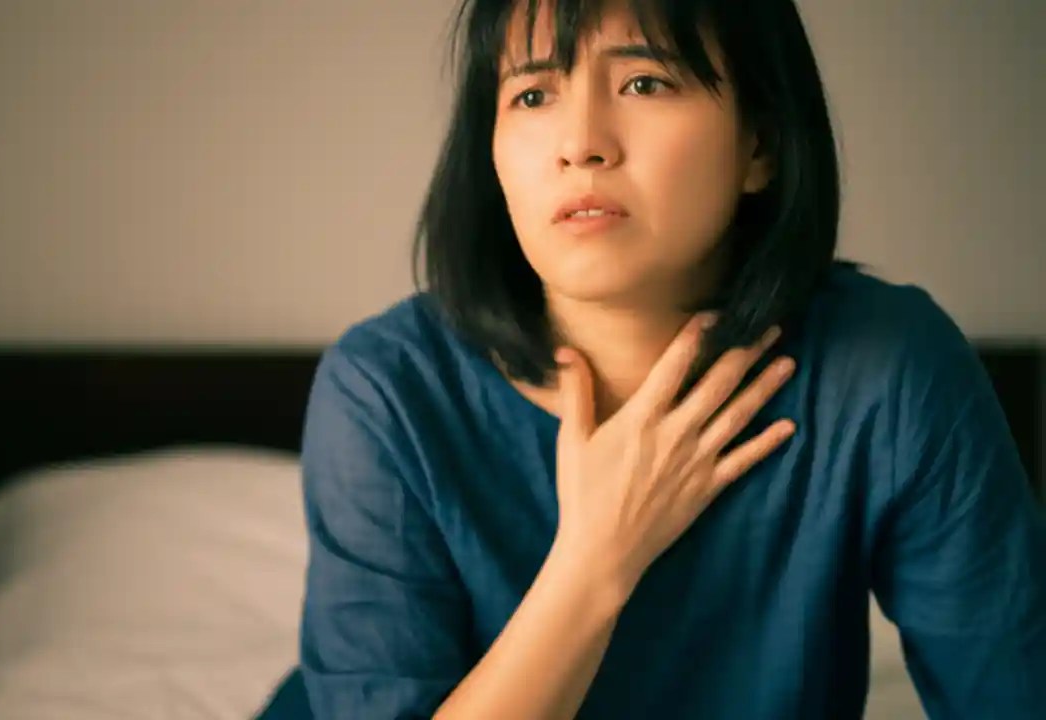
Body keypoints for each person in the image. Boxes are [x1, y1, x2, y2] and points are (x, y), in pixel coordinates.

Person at [292, 0, 1046, 717]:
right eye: (531, 95)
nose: (580, 141)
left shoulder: (885, 368)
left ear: (761, 143)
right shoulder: (386, 390)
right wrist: (595, 561)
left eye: (643, 82)